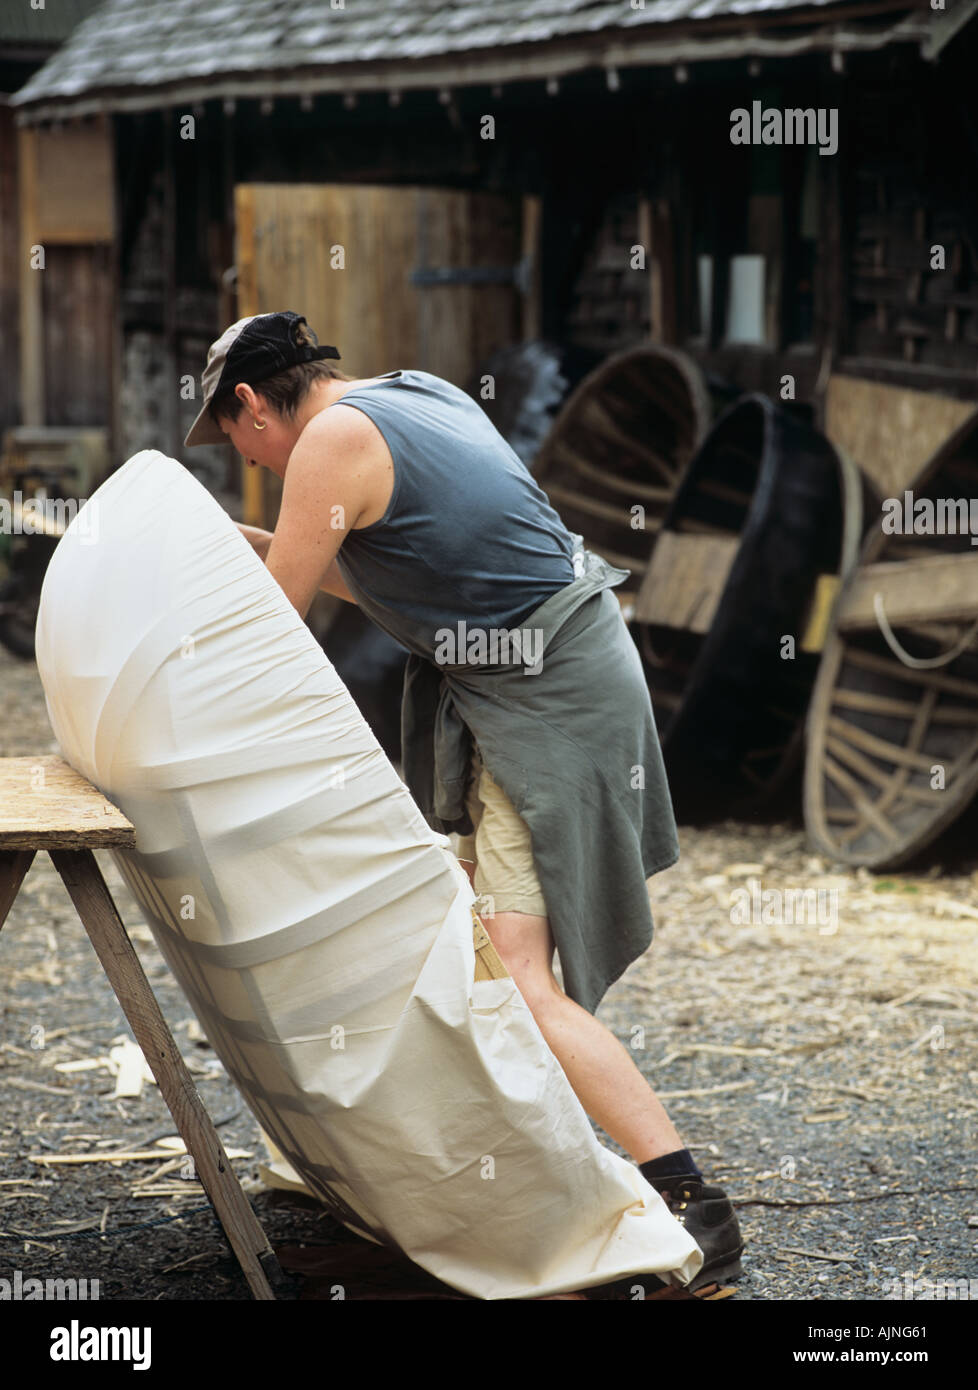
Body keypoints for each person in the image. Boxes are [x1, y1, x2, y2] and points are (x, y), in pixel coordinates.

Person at [185, 310, 744, 1292]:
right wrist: (236, 539)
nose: (246, 457)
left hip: (549, 694)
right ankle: (502, 1196)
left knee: (521, 978)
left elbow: (279, 622)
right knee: (484, 960)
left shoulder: (328, 442)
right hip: (555, 666)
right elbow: (396, 581)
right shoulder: (409, 392)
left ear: (248, 404)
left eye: (233, 438)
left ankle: (695, 1208)